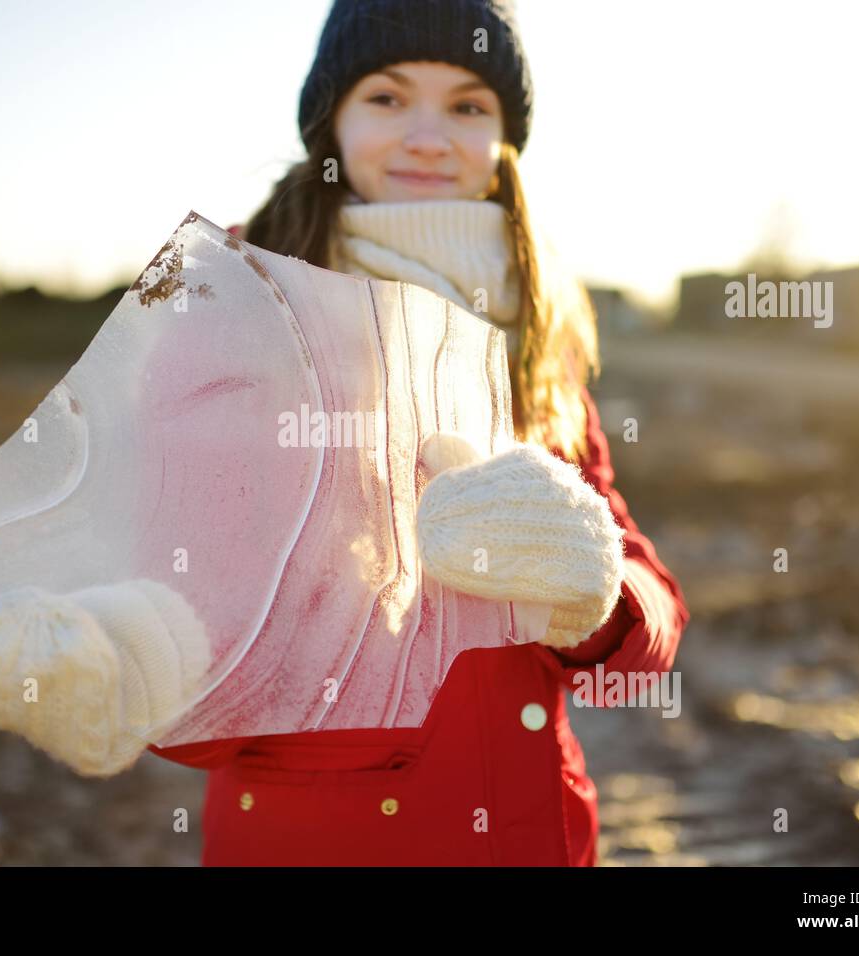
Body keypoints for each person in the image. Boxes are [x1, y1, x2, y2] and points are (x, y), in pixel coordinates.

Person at [145, 0, 690, 866]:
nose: (429, 136)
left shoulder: (540, 326)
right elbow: (178, 705)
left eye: (469, 106)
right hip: (316, 841)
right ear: (331, 123)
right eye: (389, 99)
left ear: (504, 138)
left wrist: (595, 597)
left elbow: (640, 637)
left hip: (532, 833)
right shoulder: (233, 312)